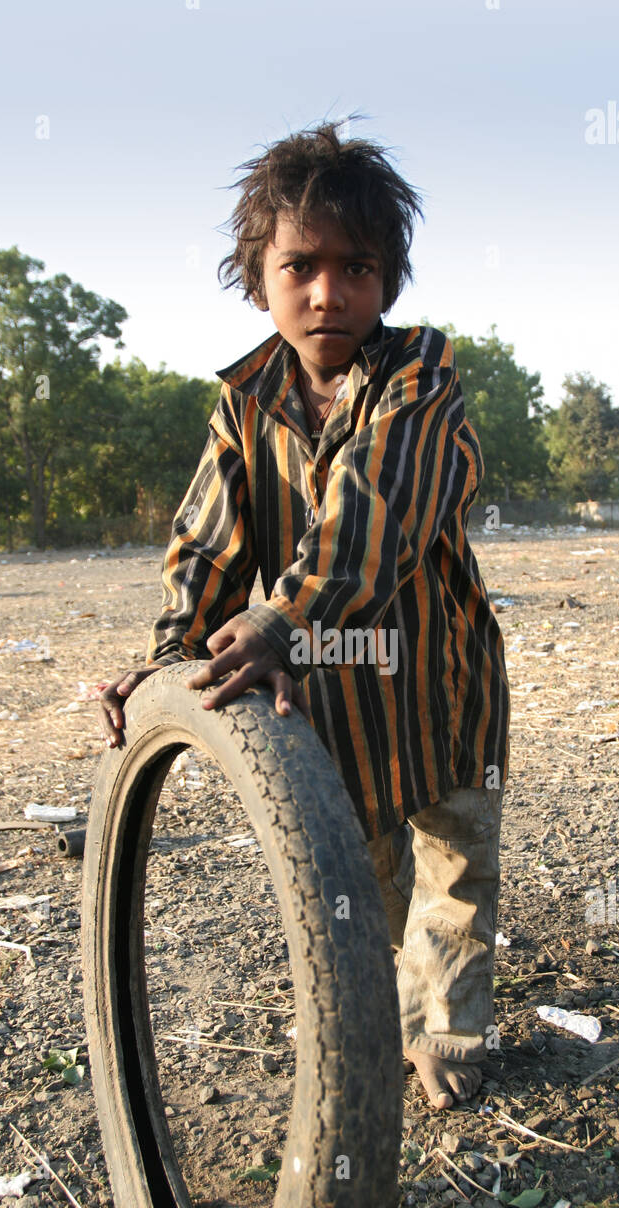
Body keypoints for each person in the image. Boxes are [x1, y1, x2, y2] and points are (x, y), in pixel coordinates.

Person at [97, 116, 510, 1110]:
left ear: (390, 281)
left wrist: (280, 620)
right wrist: (166, 673)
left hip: (439, 691)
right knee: (362, 882)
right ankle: (378, 1023)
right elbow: (205, 544)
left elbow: (376, 509)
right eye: (302, 266)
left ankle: (448, 1028)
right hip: (332, 715)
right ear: (259, 279)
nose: (330, 292)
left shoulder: (420, 382)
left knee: (453, 872)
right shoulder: (243, 404)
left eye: (358, 267)